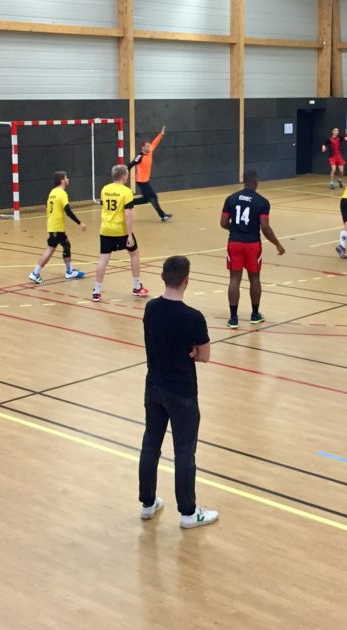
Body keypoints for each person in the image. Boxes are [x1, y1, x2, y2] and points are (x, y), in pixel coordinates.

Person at [138, 256, 217, 529]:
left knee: (151, 444)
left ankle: (148, 504)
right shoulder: (193, 317)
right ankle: (188, 512)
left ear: (162, 277)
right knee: (184, 452)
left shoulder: (150, 308)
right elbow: (205, 356)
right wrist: (193, 351)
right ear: (187, 280)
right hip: (182, 393)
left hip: (154, 388)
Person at [220, 169, 285, 329]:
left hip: (234, 243)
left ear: (243, 181)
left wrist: (235, 229)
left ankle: (233, 318)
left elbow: (223, 223)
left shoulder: (231, 199)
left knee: (234, 279)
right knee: (254, 279)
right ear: (256, 181)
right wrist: (277, 243)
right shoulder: (262, 202)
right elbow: (265, 228)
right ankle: (255, 315)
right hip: (252, 244)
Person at [93, 165, 149, 302]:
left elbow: (104, 207)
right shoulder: (126, 191)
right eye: (127, 174)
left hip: (105, 229)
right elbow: (128, 214)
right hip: (121, 230)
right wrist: (129, 235)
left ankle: (96, 291)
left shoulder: (105, 189)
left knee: (103, 260)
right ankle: (137, 287)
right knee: (134, 254)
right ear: (123, 176)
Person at [28, 171, 87, 284]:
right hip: (56, 227)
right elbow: (68, 210)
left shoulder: (52, 192)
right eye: (66, 177)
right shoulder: (61, 193)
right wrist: (79, 223)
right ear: (62, 181)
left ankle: (69, 271)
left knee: (66, 244)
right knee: (51, 249)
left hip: (53, 225)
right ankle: (35, 273)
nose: (68, 179)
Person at [128, 126, 172, 222]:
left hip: (146, 180)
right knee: (153, 197)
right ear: (142, 147)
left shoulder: (150, 150)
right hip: (141, 181)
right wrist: (125, 173)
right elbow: (131, 164)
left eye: (149, 146)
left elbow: (155, 142)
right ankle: (162, 216)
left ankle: (127, 203)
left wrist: (161, 134)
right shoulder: (140, 156)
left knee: (145, 199)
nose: (149, 147)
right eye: (147, 146)